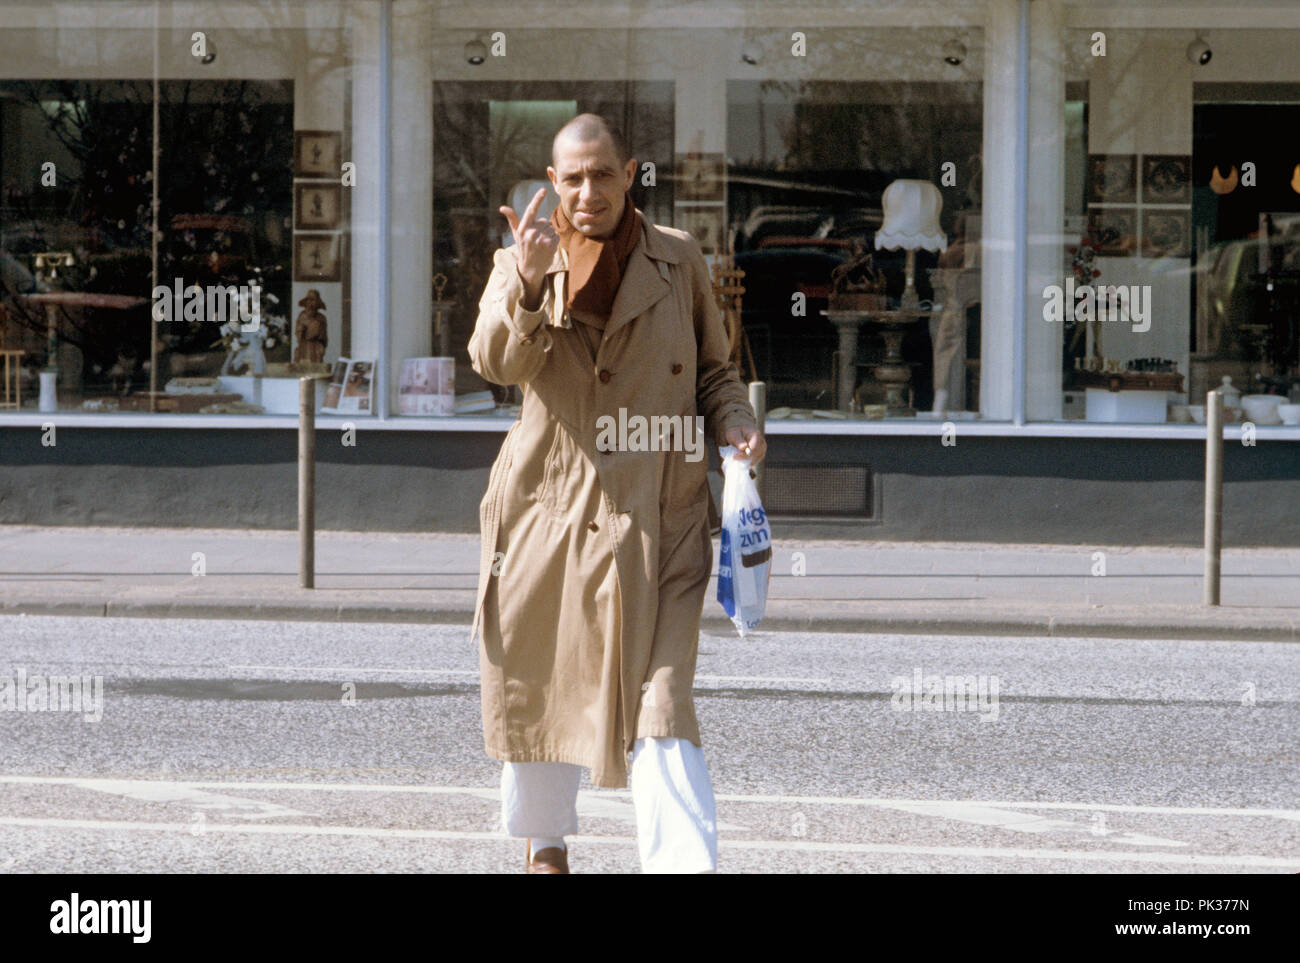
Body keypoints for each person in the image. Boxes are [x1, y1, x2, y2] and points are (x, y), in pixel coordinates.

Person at [468, 114, 766, 874]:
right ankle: (546, 846)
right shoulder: (524, 258)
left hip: (660, 520)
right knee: (543, 683)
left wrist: (734, 423)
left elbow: (714, 371)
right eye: (572, 177)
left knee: (663, 702)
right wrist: (531, 282)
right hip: (551, 510)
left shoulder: (679, 259)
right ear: (552, 181)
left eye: (603, 174)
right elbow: (494, 362)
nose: (588, 191)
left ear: (630, 173)